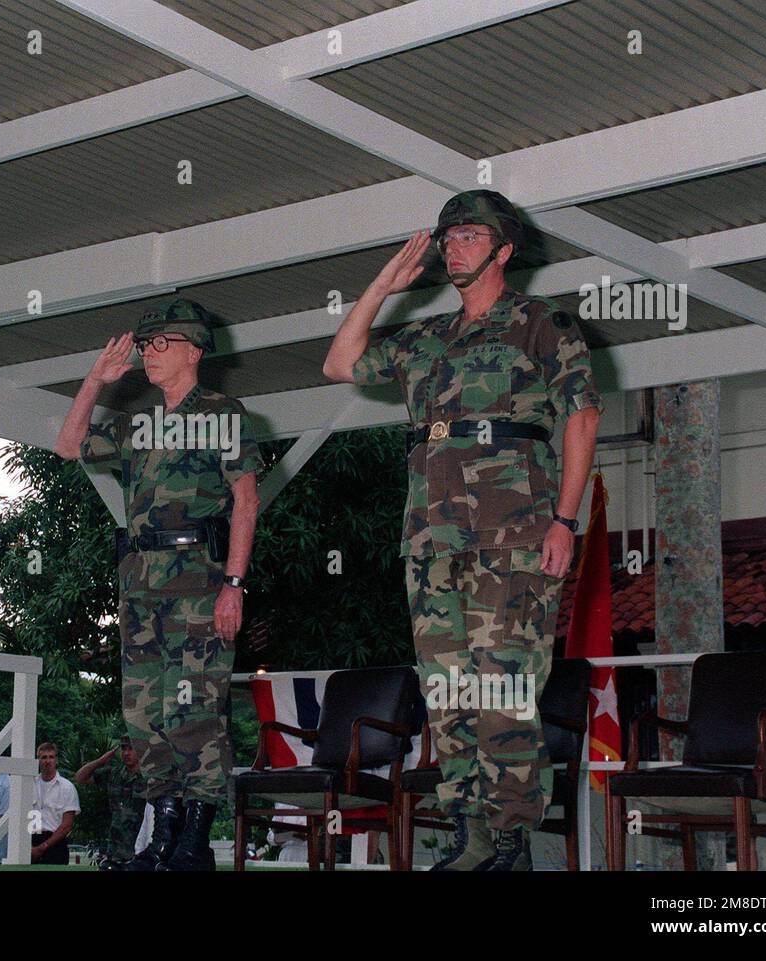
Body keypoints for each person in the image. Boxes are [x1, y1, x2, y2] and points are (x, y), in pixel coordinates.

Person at [323, 190, 603, 870]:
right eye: (448, 238)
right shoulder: (424, 340)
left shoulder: (540, 323)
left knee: (504, 688)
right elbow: (339, 363)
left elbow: (582, 418)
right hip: (431, 544)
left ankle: (511, 837)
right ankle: (469, 831)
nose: (453, 246)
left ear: (505, 249)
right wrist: (385, 285)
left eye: (470, 236)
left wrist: (566, 520)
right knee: (448, 693)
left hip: (515, 536)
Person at [55, 297, 262, 872]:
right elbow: (70, 445)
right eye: (145, 344)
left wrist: (234, 584)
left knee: (193, 709)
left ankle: (195, 841)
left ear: (194, 350)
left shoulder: (223, 413)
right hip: (139, 585)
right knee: (145, 714)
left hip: (199, 578)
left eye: (160, 343)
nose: (148, 352)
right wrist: (96, 379)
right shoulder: (135, 423)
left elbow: (246, 500)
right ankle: (163, 833)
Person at [75, 735, 148, 869]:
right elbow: (80, 777)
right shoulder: (114, 774)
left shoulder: (149, 777)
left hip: (141, 847)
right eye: (123, 749)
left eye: (131, 749)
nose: (126, 753)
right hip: (115, 848)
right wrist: (101, 761)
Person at [30, 743, 79, 866]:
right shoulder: (29, 784)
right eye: (44, 757)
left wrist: (43, 847)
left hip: (55, 844)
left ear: (56, 760)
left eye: (51, 757)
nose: (47, 761)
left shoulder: (67, 787)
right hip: (30, 843)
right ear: (38, 760)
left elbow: (67, 825)